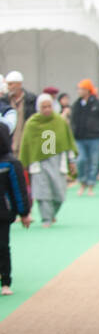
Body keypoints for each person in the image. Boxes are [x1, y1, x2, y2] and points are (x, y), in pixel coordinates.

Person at [20, 93, 75, 227]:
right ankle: (46, 218)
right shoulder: (32, 124)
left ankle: (51, 214)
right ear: (38, 108)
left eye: (49, 106)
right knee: (42, 191)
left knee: (59, 193)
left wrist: (71, 161)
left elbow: (68, 142)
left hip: (57, 162)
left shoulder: (60, 121)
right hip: (38, 163)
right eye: (43, 107)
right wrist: (24, 163)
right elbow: (26, 144)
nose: (47, 110)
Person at [0, 122, 32, 294]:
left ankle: (6, 281)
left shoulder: (10, 163)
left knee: (3, 246)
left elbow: (19, 191)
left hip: (3, 213)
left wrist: (24, 213)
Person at [69, 79, 99, 196]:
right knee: (81, 160)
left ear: (87, 90)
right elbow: (73, 120)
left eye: (81, 89)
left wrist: (98, 129)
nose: (79, 91)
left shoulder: (98, 104)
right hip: (80, 138)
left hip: (94, 138)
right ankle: (82, 182)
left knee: (94, 161)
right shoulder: (77, 104)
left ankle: (91, 185)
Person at [0, 71, 37, 143]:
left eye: (11, 84)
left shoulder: (31, 99)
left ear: (19, 84)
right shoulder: (4, 100)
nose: (8, 87)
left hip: (26, 138)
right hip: (9, 140)